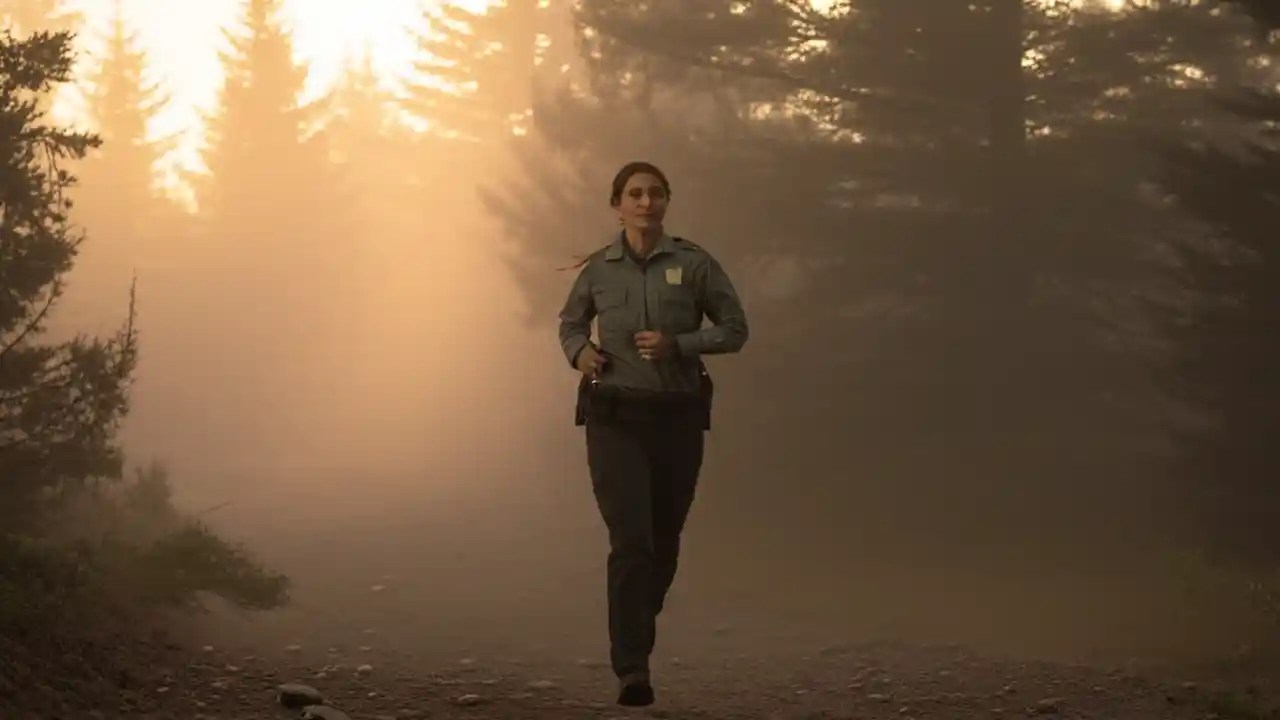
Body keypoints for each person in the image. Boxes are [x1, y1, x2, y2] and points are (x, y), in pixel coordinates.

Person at [557, 161, 749, 707]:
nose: (645, 203)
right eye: (635, 194)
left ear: (666, 202)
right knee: (632, 540)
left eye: (655, 194)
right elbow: (570, 323)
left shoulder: (694, 265)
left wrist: (680, 345)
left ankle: (636, 619)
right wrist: (580, 353)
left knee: (664, 542)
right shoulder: (599, 270)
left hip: (677, 417)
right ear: (617, 203)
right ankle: (632, 667)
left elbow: (736, 330)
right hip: (614, 419)